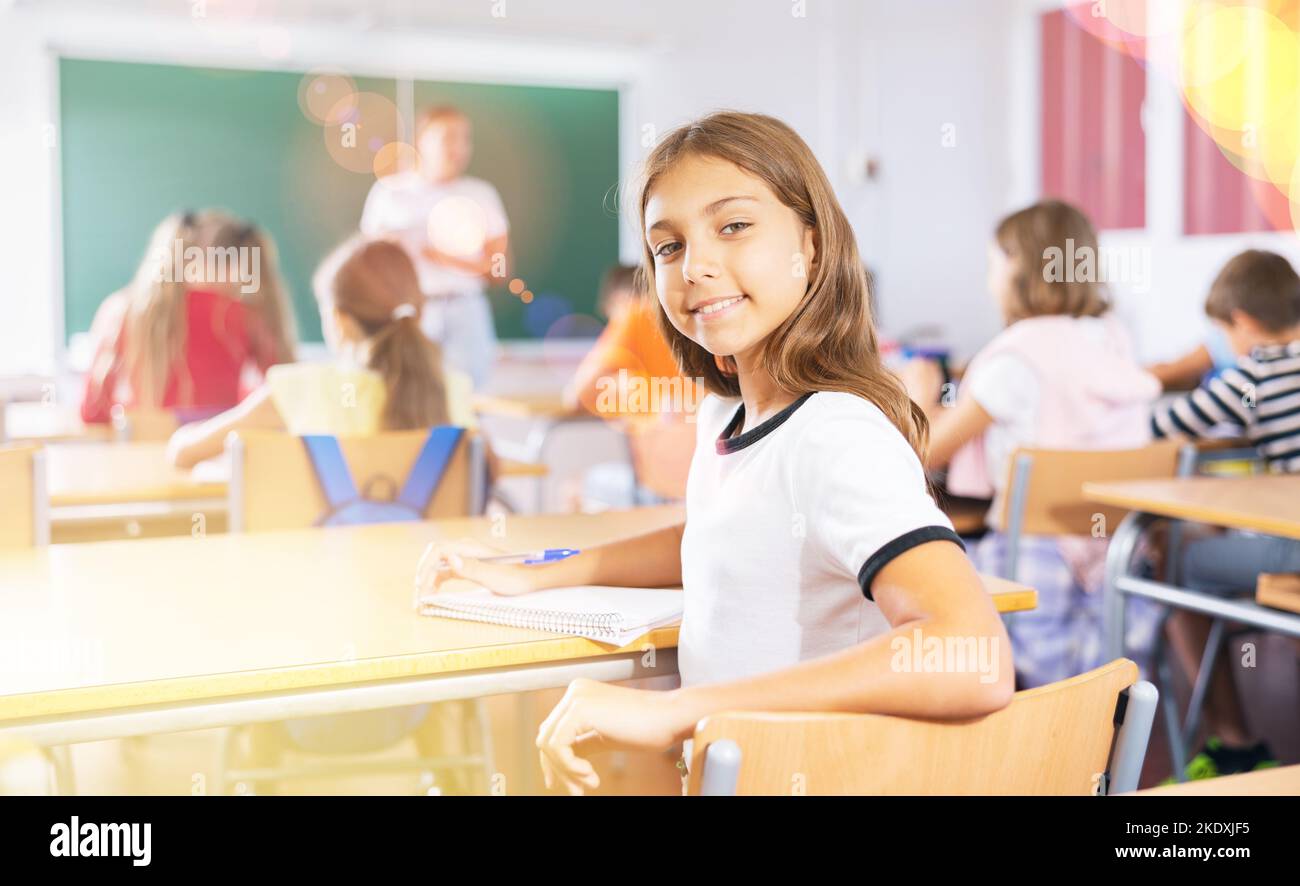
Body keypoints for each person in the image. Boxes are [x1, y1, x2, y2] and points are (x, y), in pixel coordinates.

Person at [417, 111, 1013, 795]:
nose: (695, 265)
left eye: (733, 226)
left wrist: (677, 711)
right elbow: (722, 532)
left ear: (811, 248)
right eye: (667, 248)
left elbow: (974, 653)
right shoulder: (727, 412)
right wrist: (537, 574)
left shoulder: (837, 435)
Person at [901, 200, 1162, 688]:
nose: (989, 280)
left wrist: (919, 391)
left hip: (1034, 560)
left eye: (993, 264)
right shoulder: (1112, 339)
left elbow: (928, 450)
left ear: (1019, 269)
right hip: (1122, 554)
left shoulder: (1016, 357)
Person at [1150, 248, 1300, 778]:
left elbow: (1163, 429)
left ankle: (1234, 743)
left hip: (1293, 550)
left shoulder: (1252, 378)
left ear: (1240, 323)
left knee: (1164, 560)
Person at [80, 210, 295, 424]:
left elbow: (93, 410)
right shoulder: (241, 316)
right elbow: (288, 399)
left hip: (142, 450)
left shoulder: (119, 310)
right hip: (213, 451)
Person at [360, 105, 509, 389]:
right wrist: (389, 252)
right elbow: (365, 268)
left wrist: (441, 255)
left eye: (465, 138)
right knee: (408, 399)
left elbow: (500, 271)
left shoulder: (481, 194)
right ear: (422, 141)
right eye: (448, 137)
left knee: (466, 403)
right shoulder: (389, 194)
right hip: (408, 312)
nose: (459, 147)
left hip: (465, 311)